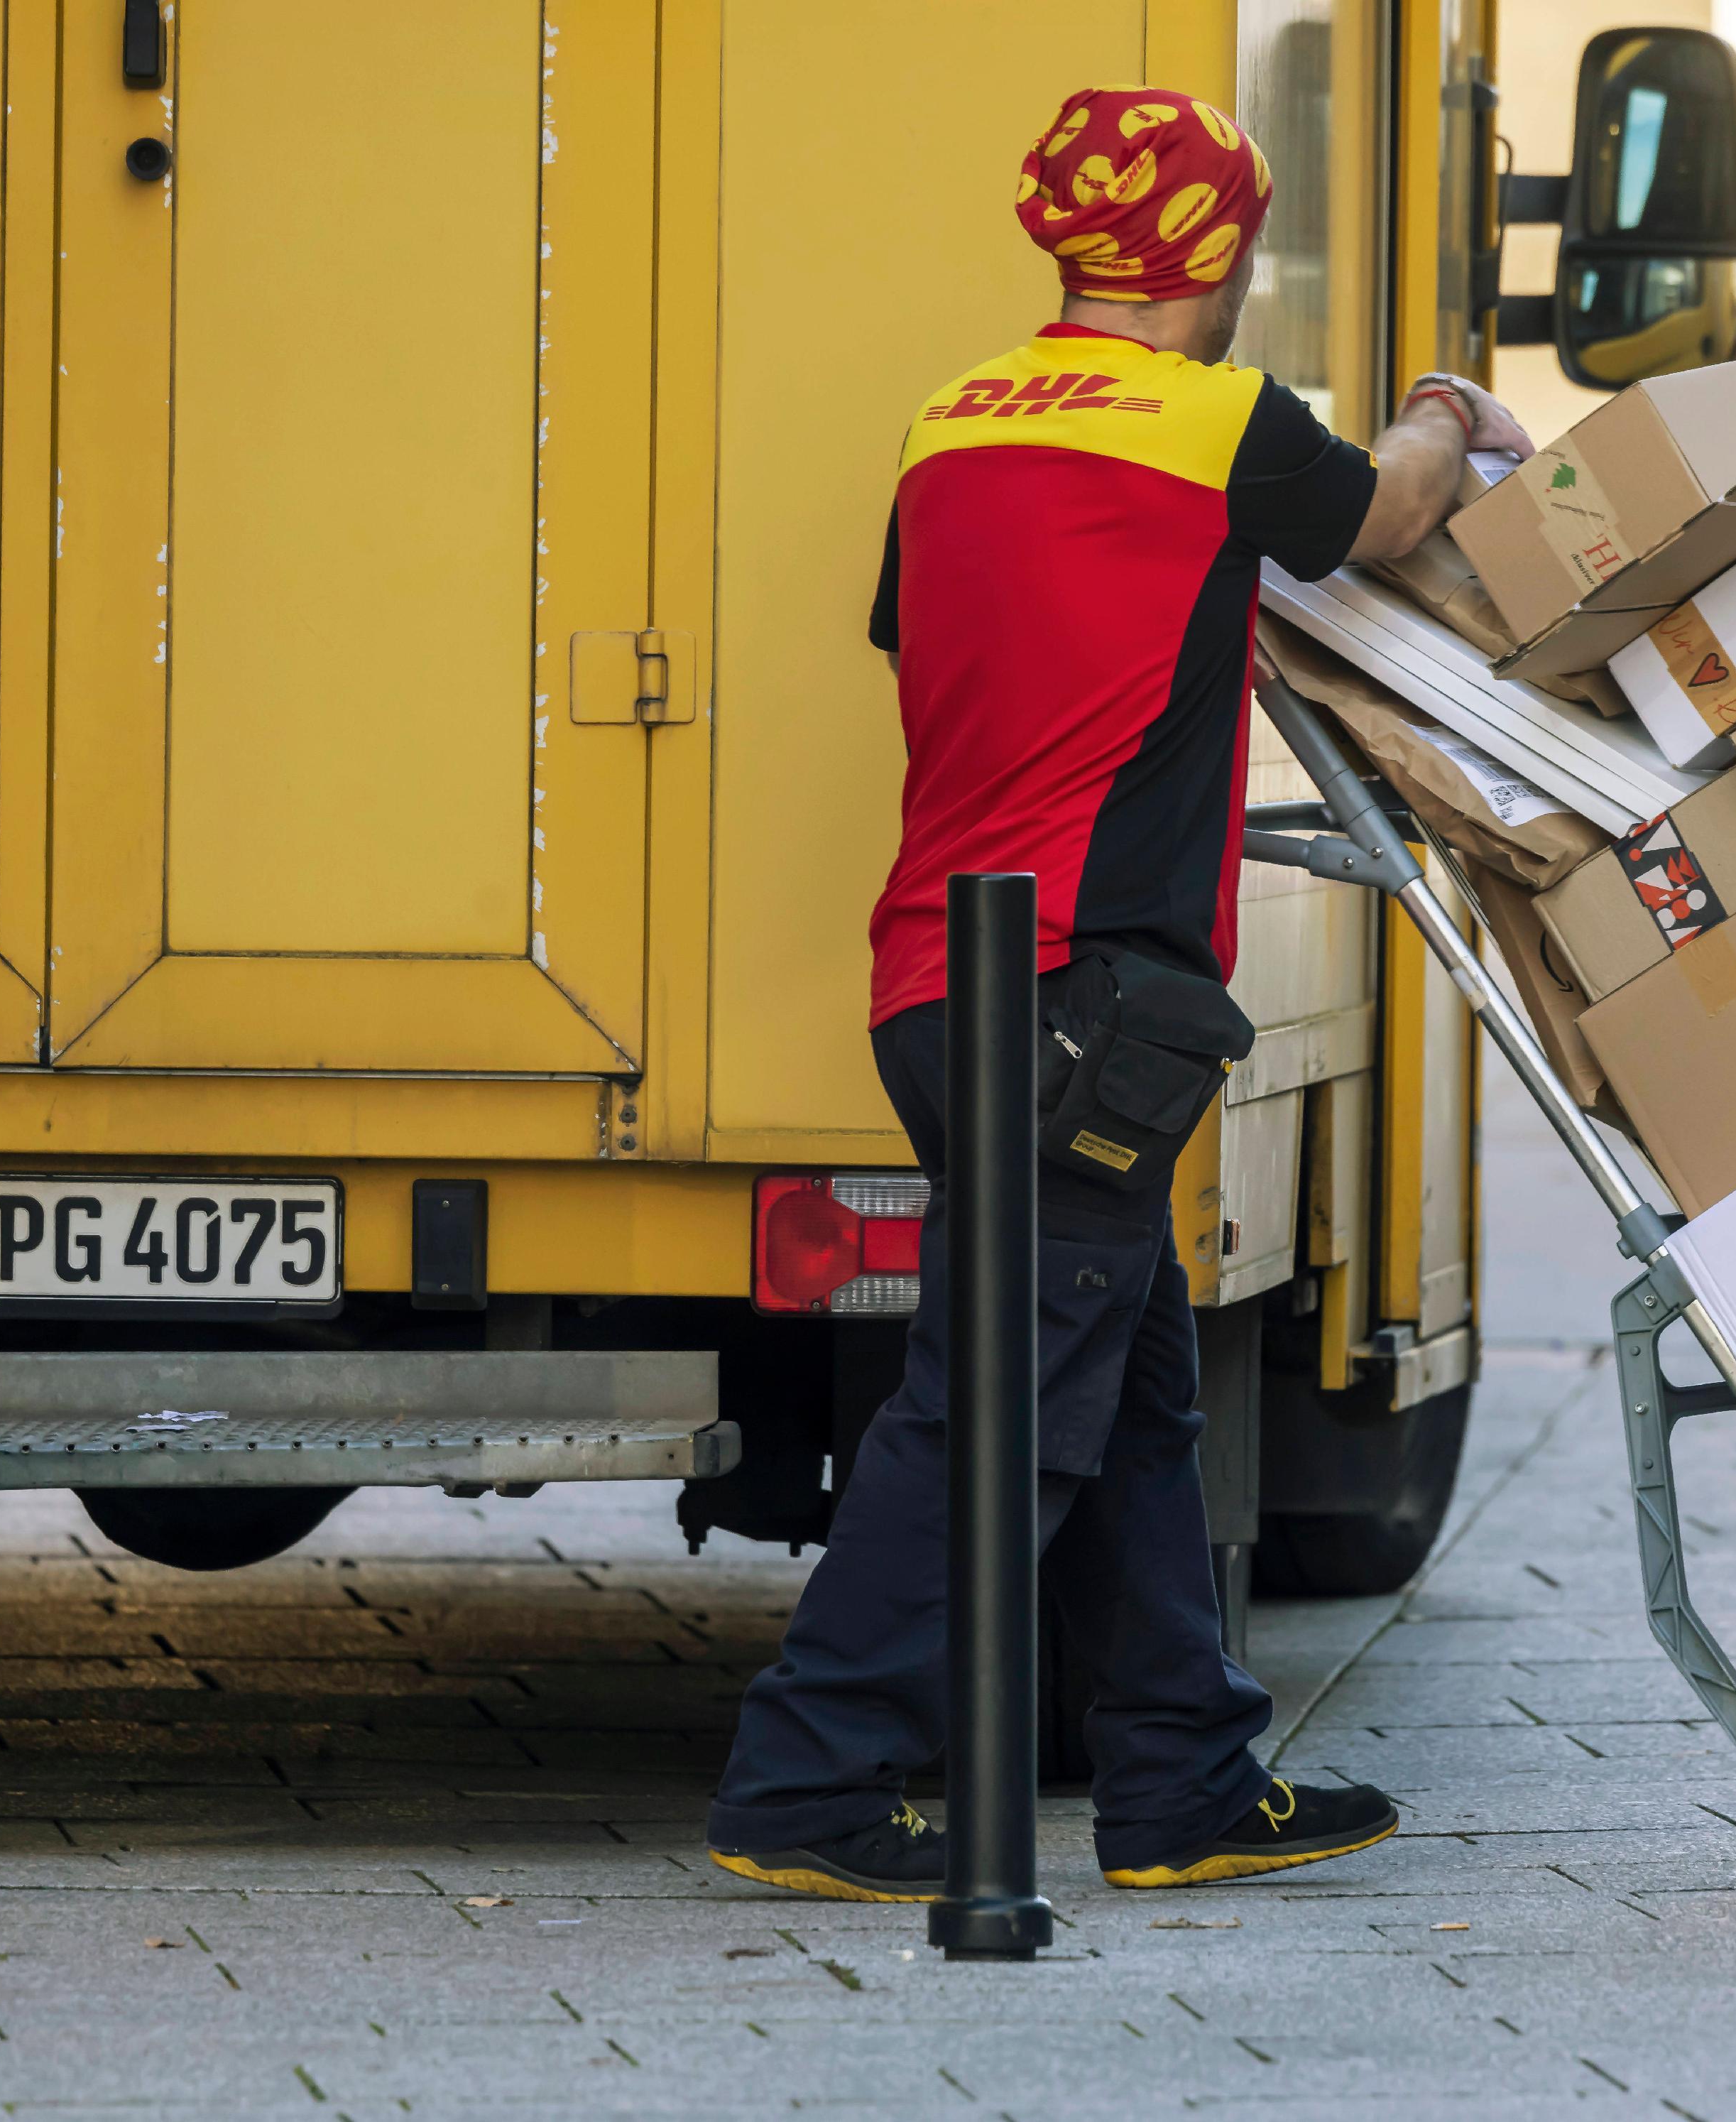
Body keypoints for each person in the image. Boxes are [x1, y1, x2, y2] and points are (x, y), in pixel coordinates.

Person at [706, 85, 1533, 1903]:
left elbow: (928, 634)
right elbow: (1380, 521)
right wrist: (1446, 413)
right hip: (1080, 992)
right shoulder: (1217, 419)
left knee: (1136, 1383)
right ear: (1226, 254)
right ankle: (807, 1777)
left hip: (942, 971)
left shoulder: (953, 421)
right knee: (990, 1399)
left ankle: (1183, 1776)